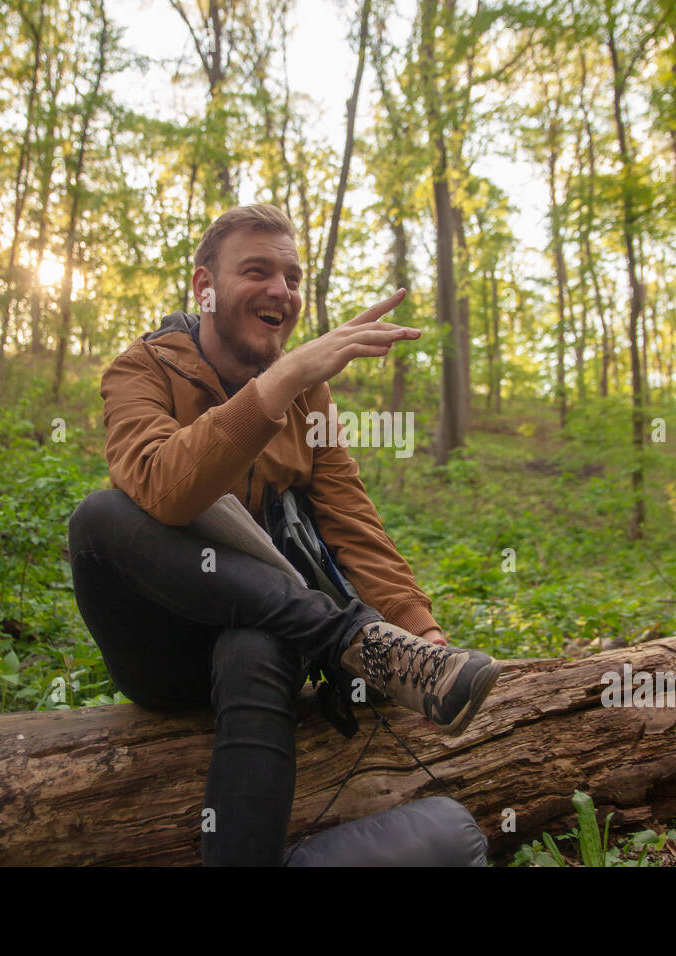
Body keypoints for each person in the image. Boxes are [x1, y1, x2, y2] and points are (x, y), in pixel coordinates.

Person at [67, 202, 501, 865]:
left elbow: (352, 523)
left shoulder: (312, 403)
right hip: (166, 645)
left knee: (256, 643)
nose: (282, 291)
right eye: (258, 271)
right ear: (204, 285)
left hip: (269, 635)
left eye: (292, 277)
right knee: (99, 518)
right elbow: (166, 490)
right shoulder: (141, 370)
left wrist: (426, 640)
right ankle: (347, 636)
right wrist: (286, 378)